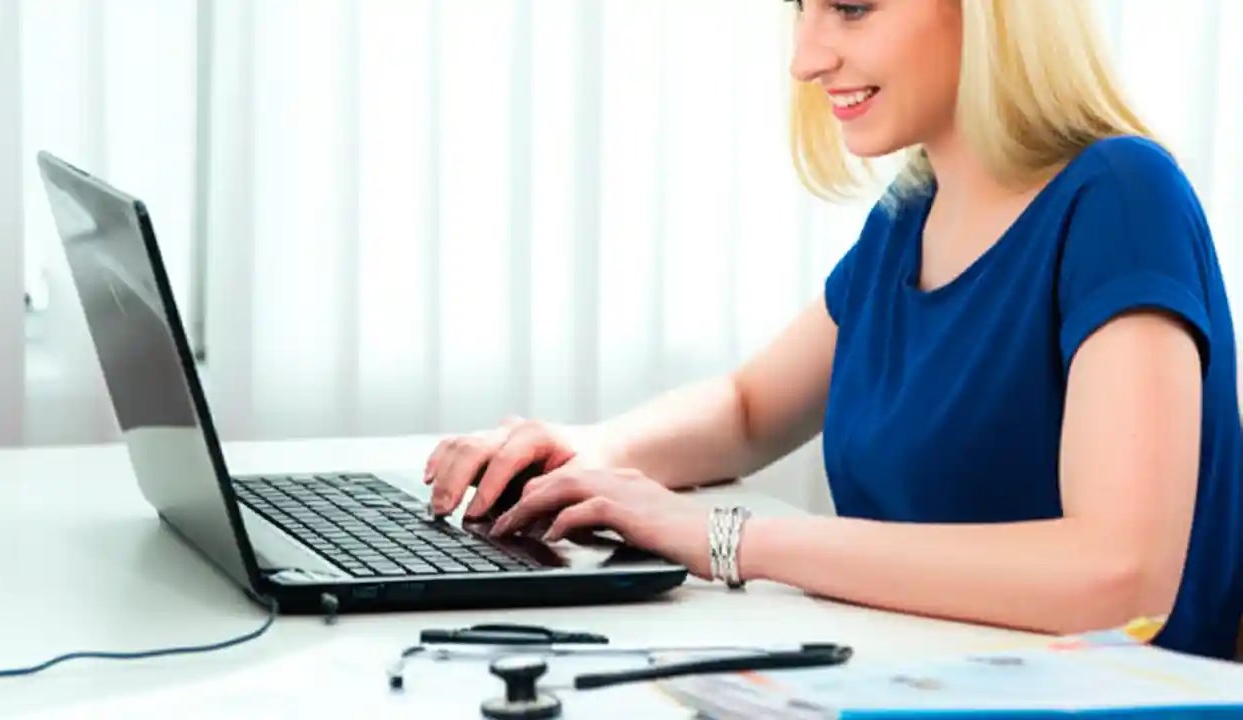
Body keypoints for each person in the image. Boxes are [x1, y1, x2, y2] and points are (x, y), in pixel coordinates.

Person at [422, 0, 1243, 660]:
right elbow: (748, 411)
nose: (805, 58)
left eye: (851, 9)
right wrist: (581, 452)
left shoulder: (1123, 198)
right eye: (801, 8)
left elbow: (1120, 575)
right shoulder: (912, 212)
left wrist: (734, 539)